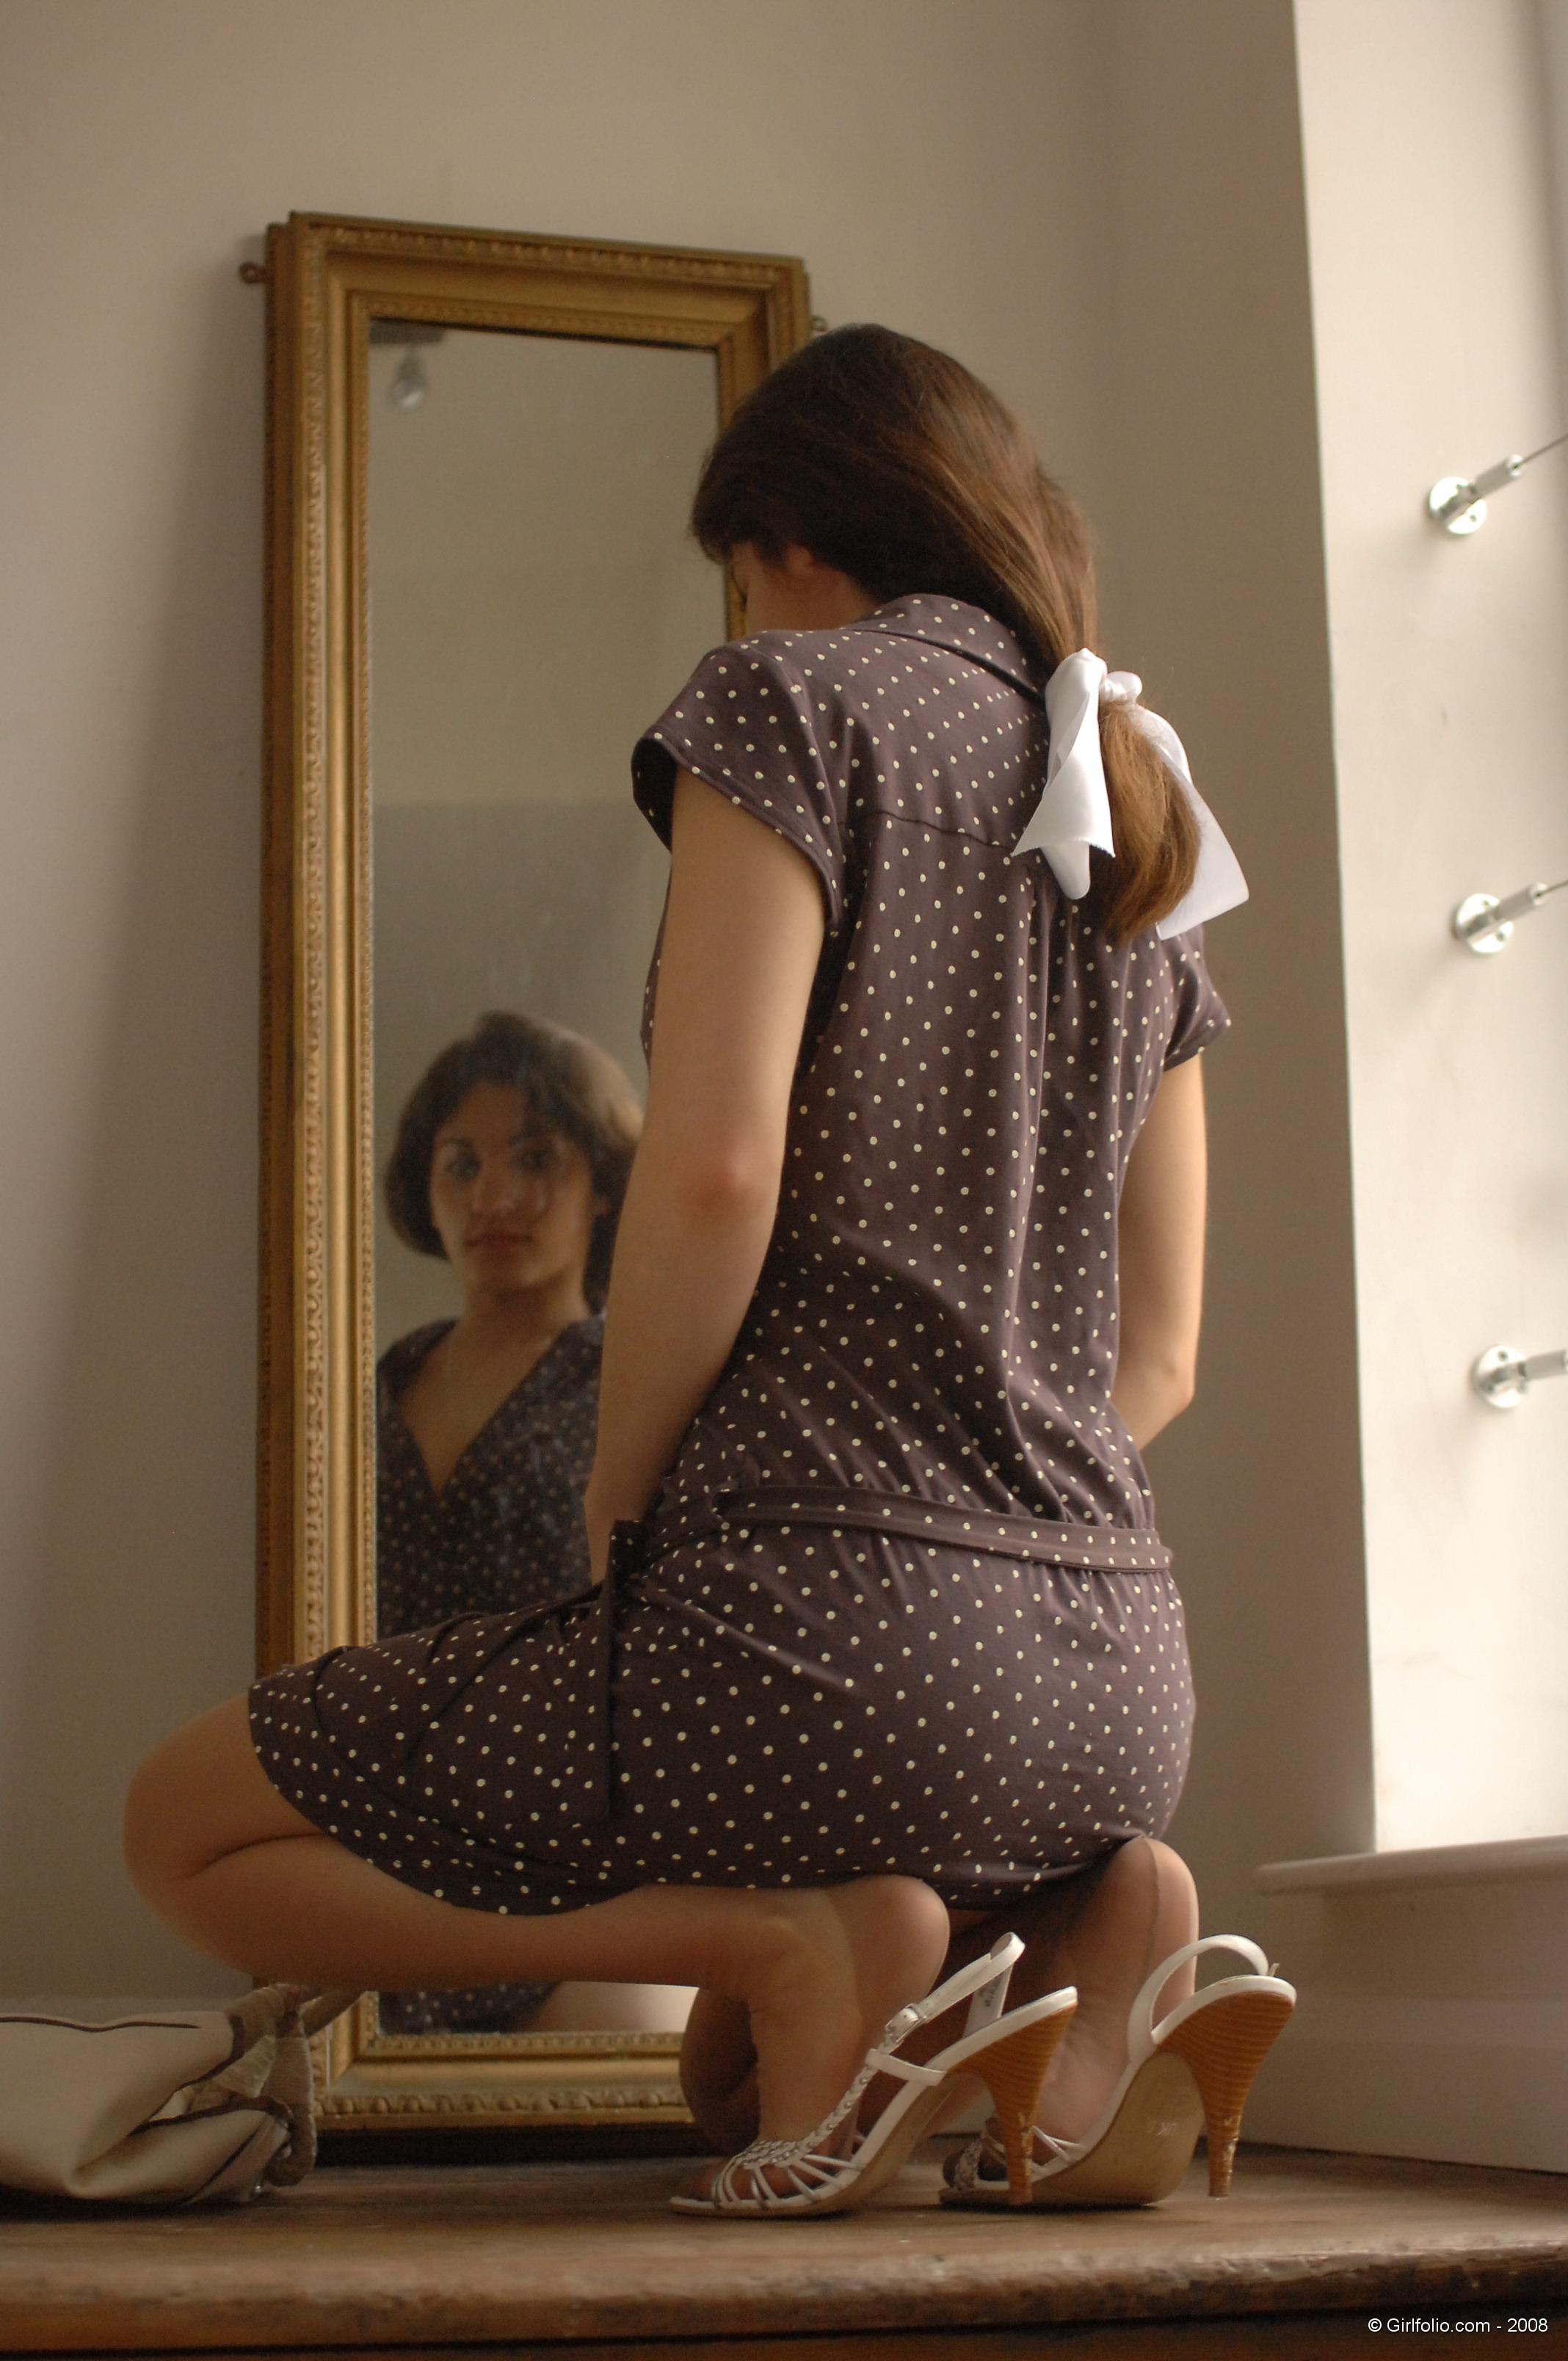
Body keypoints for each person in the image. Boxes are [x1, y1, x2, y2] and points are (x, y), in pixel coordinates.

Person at [125, 323, 1287, 2216]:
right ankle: (1089, 1909)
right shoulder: (1135, 788)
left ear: (788, 544)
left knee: (181, 1825)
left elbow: (714, 1170)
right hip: (1115, 1688)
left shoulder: (790, 700)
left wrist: (629, 1496)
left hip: (811, 1645)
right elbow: (1162, 1348)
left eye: (736, 577)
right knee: (723, 2087)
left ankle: (783, 1935)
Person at [373, 1012, 677, 2037]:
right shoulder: (369, 1388)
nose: (494, 1198)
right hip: (373, 1850)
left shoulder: (638, 1385)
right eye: (463, 1164)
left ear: (603, 1188)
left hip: (577, 1865)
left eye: (537, 1160)